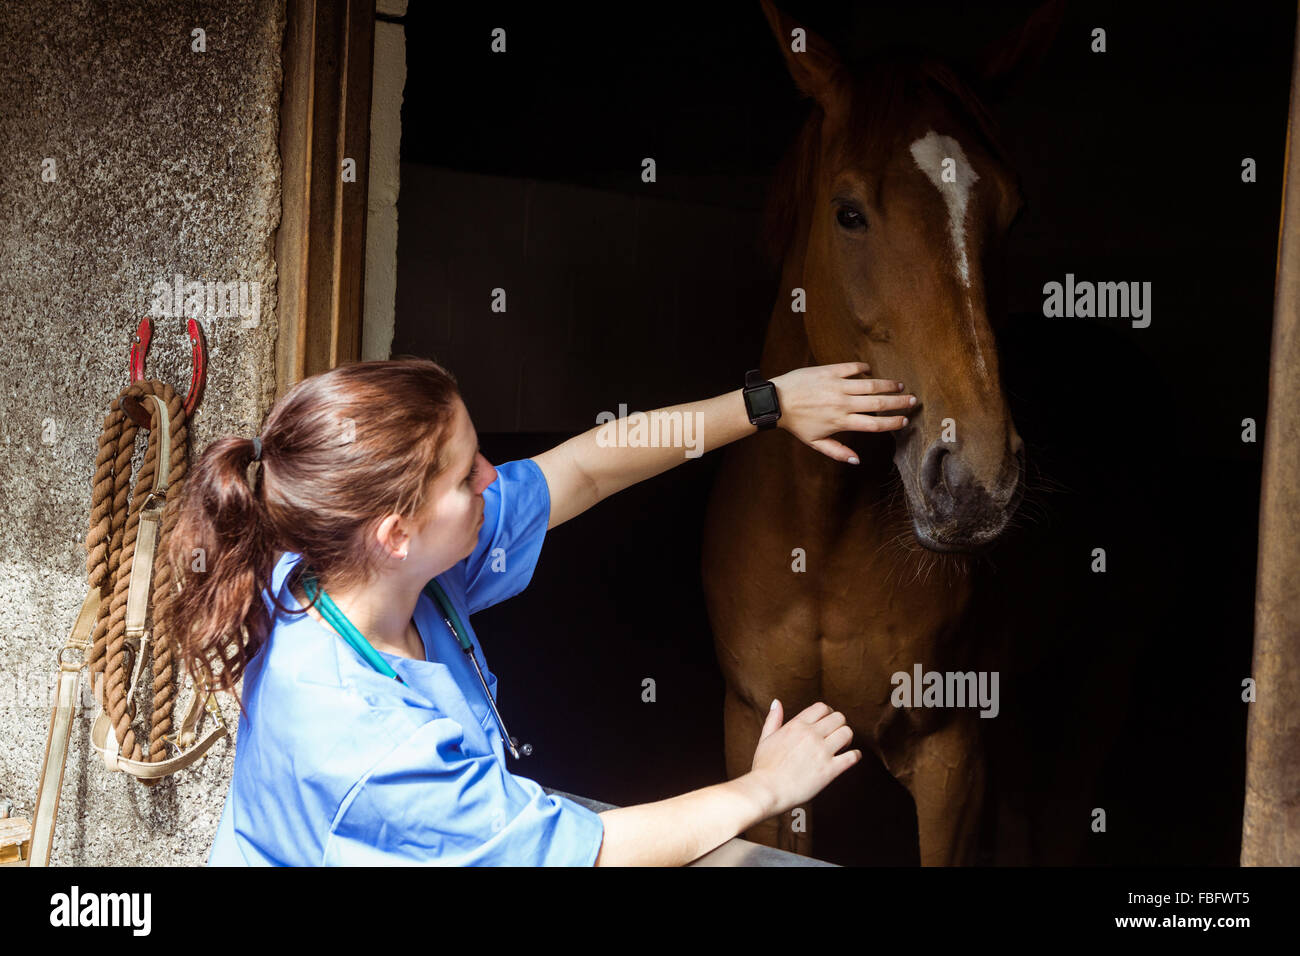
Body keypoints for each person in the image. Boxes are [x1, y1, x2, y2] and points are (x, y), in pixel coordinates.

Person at [166, 357, 916, 866]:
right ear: (395, 535)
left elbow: (585, 467)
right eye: (468, 476)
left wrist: (769, 402)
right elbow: (585, 850)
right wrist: (767, 788)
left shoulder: (341, 565)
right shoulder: (371, 747)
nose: (495, 478)